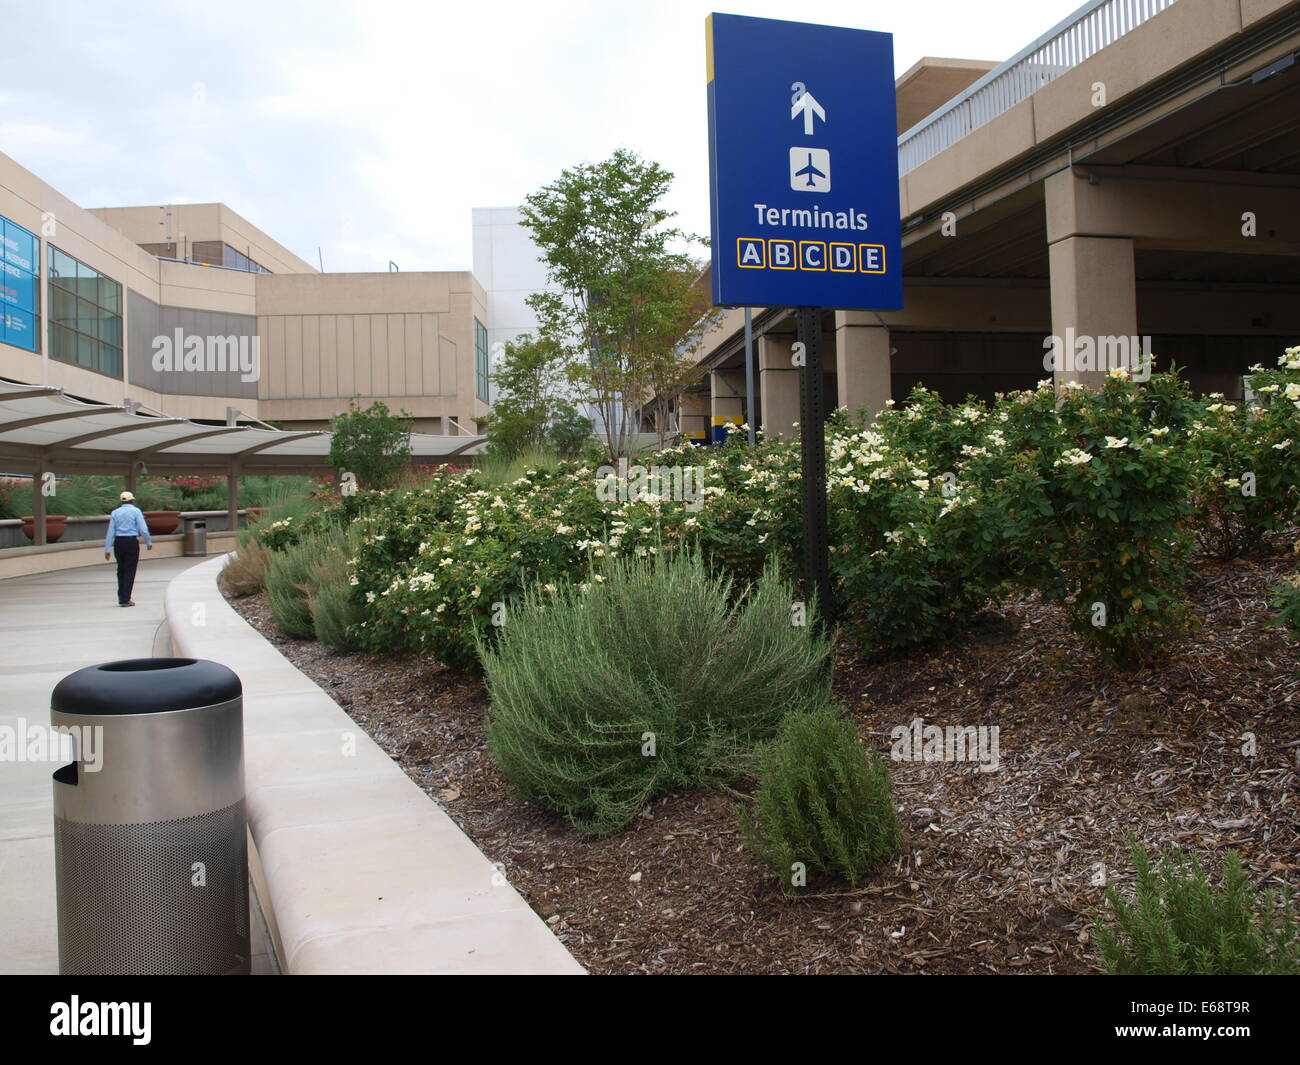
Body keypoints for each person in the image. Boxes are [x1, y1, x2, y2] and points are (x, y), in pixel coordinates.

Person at [104, 491, 153, 606]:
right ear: (132, 500)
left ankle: (122, 597)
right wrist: (148, 542)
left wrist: (107, 549)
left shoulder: (115, 513)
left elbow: (111, 532)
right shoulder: (136, 511)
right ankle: (126, 599)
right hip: (131, 542)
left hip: (119, 542)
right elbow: (143, 529)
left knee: (121, 570)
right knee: (130, 570)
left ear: (121, 501)